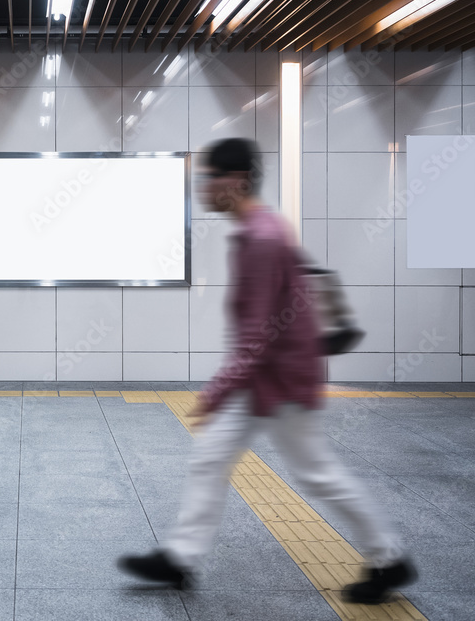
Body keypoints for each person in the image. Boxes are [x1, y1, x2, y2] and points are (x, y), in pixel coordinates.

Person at [117, 138, 415, 605]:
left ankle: (388, 557)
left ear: (235, 182)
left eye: (209, 176)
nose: (202, 186)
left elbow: (257, 336)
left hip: (284, 382)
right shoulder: (259, 228)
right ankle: (180, 559)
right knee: (211, 458)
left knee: (317, 475)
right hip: (264, 380)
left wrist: (216, 391)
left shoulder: (260, 237)